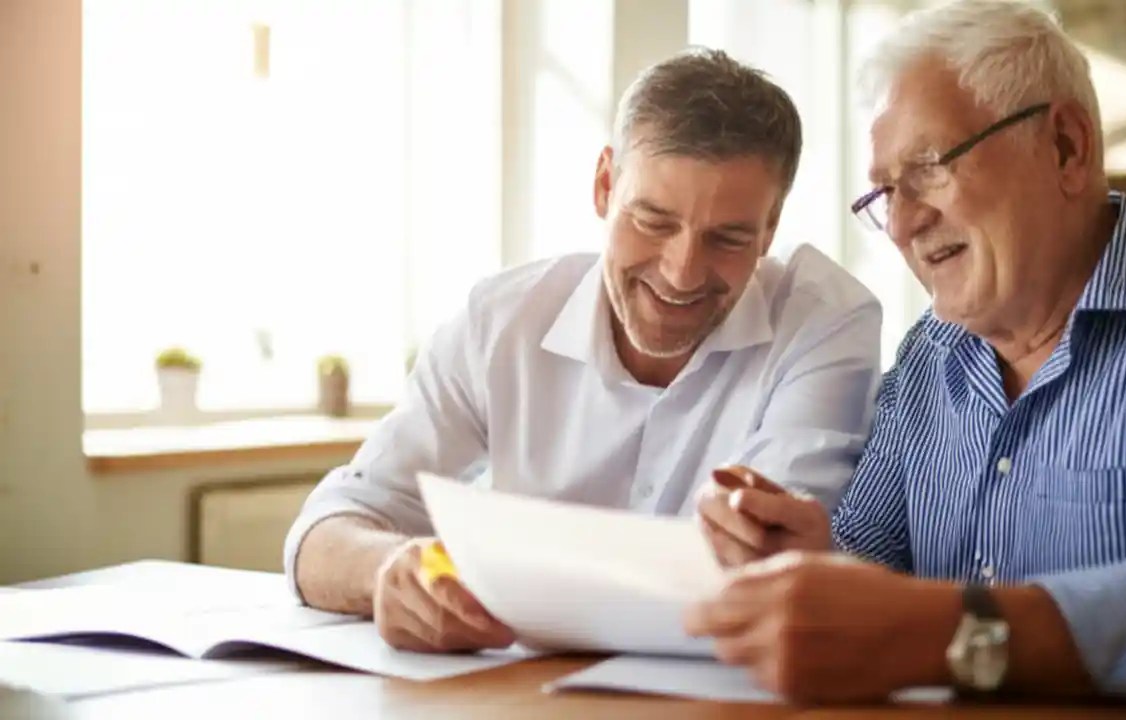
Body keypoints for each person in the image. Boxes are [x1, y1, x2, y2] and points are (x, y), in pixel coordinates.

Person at [689, 0, 1126, 709]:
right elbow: (875, 576)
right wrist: (808, 565)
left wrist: (947, 630)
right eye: (884, 191)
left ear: (1065, 147)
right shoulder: (927, 361)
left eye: (930, 167)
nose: (903, 223)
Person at [285, 48, 882, 655]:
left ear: (771, 227)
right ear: (604, 185)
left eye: (728, 238)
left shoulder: (821, 323)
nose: (681, 273)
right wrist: (388, 570)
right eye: (653, 221)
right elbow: (327, 527)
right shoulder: (500, 321)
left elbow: (766, 563)